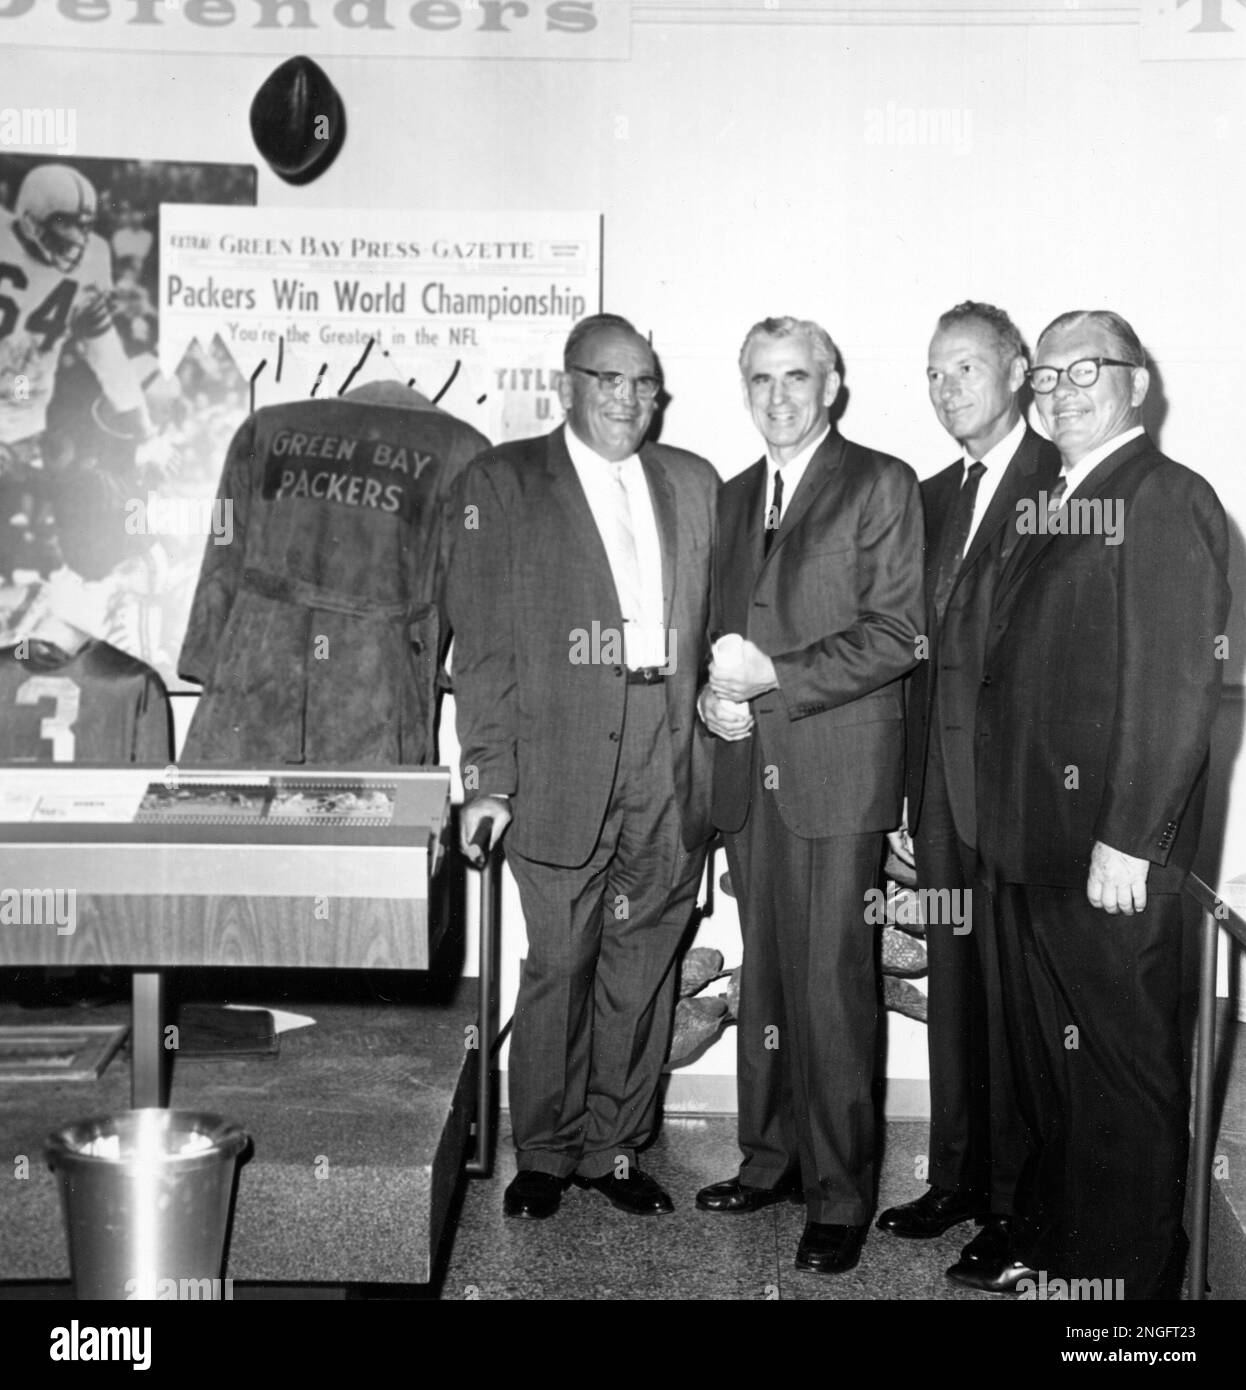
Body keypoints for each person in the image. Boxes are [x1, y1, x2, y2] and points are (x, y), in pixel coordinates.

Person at [969, 309, 1230, 1298]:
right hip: (1043, 843)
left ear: (1139, 383)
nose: (1062, 389)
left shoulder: (1161, 496)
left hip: (1110, 851)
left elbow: (1174, 687)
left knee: (1118, 1071)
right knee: (1058, 1059)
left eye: (1089, 369)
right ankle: (1060, 1248)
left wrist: (1132, 838)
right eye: (1044, 375)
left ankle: (1121, 1294)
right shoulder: (1067, 495)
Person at [447, 313, 718, 1219]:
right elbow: (480, 647)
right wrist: (488, 779)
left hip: (667, 749)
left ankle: (614, 1148)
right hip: (556, 752)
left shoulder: (692, 481)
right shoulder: (505, 480)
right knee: (559, 960)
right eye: (609, 381)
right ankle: (547, 1152)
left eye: (645, 384)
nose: (629, 400)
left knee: (642, 961)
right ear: (568, 384)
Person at [695, 316, 924, 1274]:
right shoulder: (735, 494)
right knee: (772, 980)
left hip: (840, 777)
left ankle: (839, 1197)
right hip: (756, 774)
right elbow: (717, 636)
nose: (778, 397)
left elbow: (899, 633)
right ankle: (772, 1160)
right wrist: (717, 703)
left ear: (832, 385)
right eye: (761, 380)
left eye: (797, 378)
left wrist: (772, 681)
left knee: (831, 986)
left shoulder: (880, 482)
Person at [876, 303, 1060, 1281]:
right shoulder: (932, 492)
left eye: (967, 368)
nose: (948, 388)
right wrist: (908, 793)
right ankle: (953, 1176)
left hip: (1020, 796)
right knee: (951, 986)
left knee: (1014, 1001)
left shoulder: (1057, 481)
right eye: (935, 372)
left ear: (1019, 370)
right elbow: (916, 657)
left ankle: (1010, 1204)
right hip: (941, 795)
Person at [179, 380, 488, 765]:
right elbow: (478, 608)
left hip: (254, 684)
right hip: (375, 691)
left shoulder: (267, 426)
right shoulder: (464, 449)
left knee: (234, 818)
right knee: (361, 818)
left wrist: (207, 661)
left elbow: (222, 554)